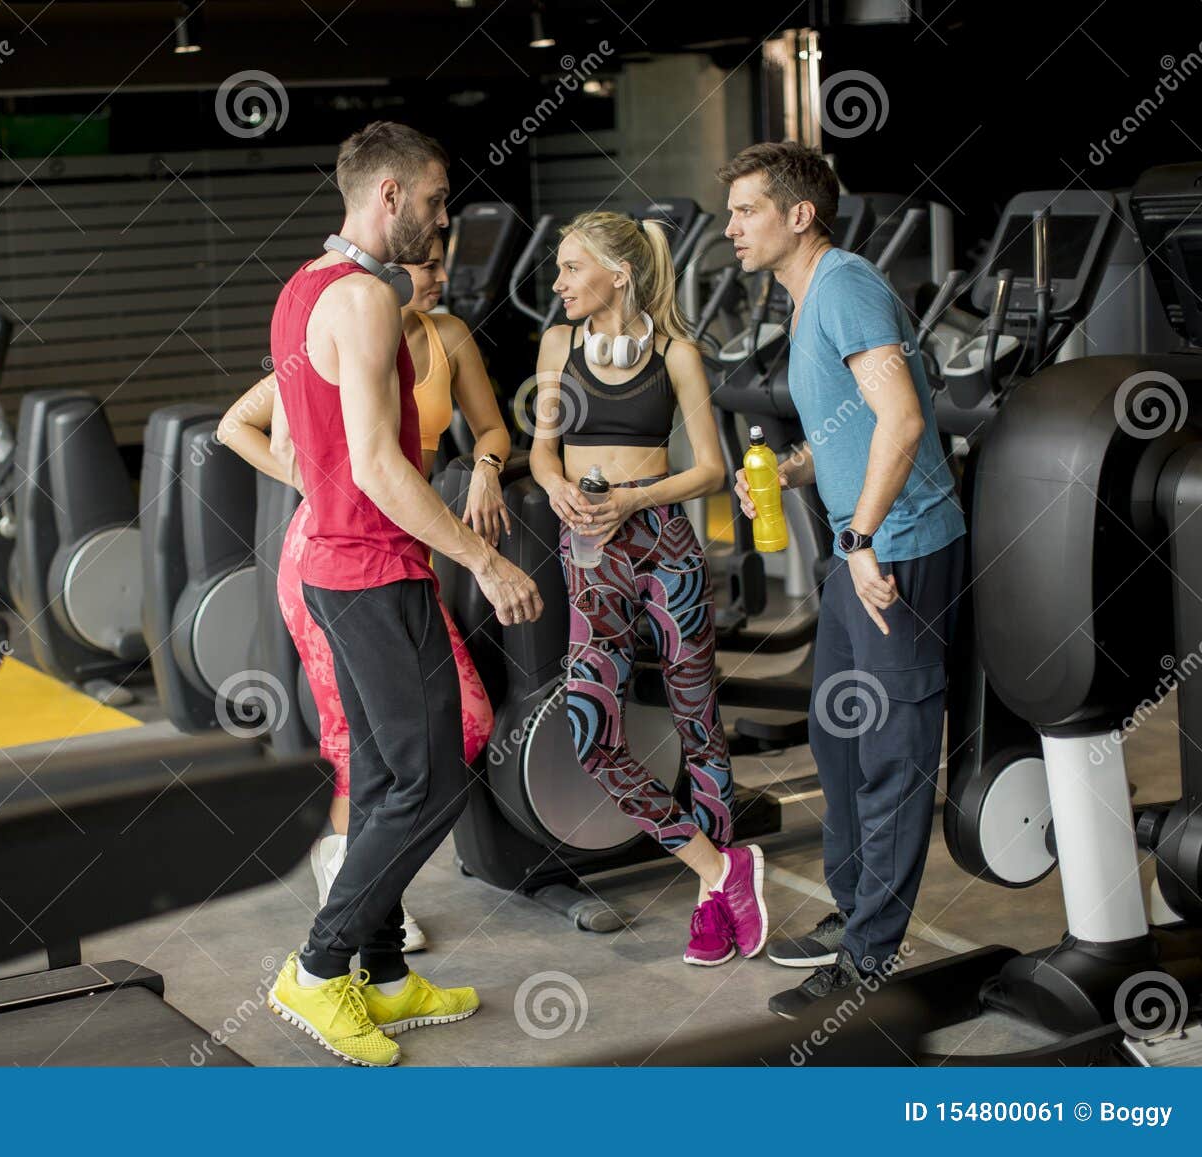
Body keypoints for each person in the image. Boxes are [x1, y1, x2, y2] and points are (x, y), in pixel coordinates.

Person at [260, 121, 542, 1067]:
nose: (441, 214)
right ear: (387, 197)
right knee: (433, 782)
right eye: (432, 198)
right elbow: (379, 465)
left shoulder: (300, 290)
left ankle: (380, 970)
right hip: (373, 570)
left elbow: (311, 455)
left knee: (384, 778)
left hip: (341, 567)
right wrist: (488, 561)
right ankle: (317, 965)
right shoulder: (367, 301)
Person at [217, 227, 512, 954]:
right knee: (367, 739)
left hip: (410, 542)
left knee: (447, 729)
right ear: (385, 267)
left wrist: (486, 465)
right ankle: (351, 905)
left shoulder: (447, 337)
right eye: (425, 261)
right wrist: (321, 484)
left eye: (444, 258)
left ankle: (368, 913)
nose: (438, 273)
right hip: (337, 549)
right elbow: (236, 426)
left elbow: (493, 428)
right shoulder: (342, 324)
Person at [721, 142, 966, 1016]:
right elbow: (852, 423)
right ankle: (855, 910)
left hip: (896, 547)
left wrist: (859, 534)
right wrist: (788, 472)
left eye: (747, 209)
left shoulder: (848, 283)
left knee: (895, 756)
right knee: (837, 737)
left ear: (799, 215)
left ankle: (868, 960)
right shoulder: (810, 298)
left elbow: (901, 420)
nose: (731, 226)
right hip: (859, 547)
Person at [527, 210, 768, 969]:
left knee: (699, 723)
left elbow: (710, 469)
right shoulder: (556, 346)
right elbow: (540, 451)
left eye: (571, 268)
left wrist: (634, 497)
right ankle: (719, 867)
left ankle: (711, 903)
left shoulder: (677, 355)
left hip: (663, 543)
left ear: (618, 274)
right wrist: (558, 486)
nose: (559, 283)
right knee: (590, 730)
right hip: (591, 551)